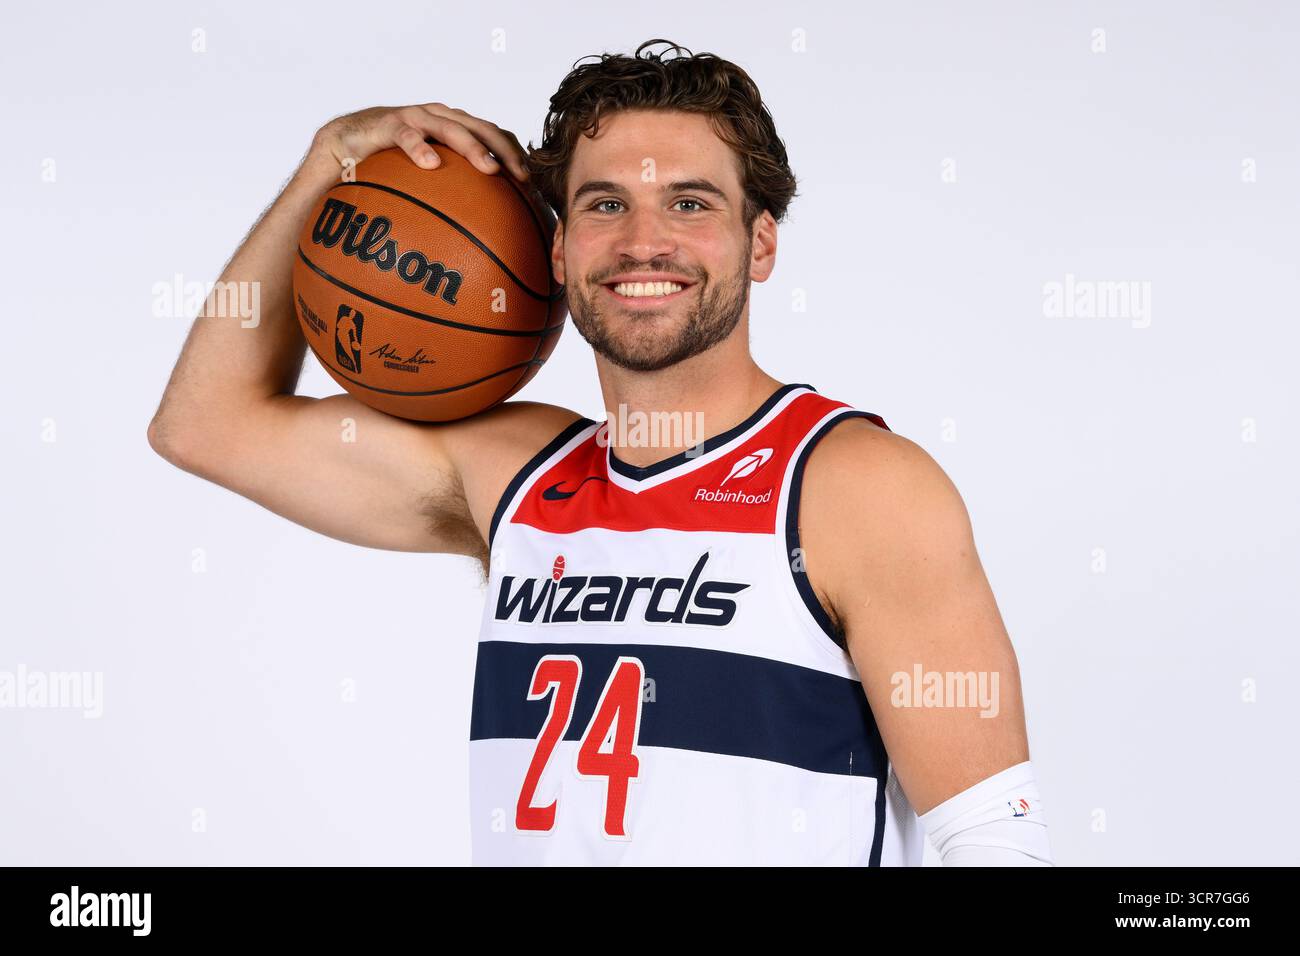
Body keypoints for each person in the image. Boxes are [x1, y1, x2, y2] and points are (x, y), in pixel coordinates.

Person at [149, 39, 1052, 866]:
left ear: (761, 241)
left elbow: (992, 839)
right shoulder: (514, 474)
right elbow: (205, 424)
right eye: (605, 203)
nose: (641, 241)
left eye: (689, 203)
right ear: (558, 248)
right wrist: (330, 162)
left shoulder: (853, 488)